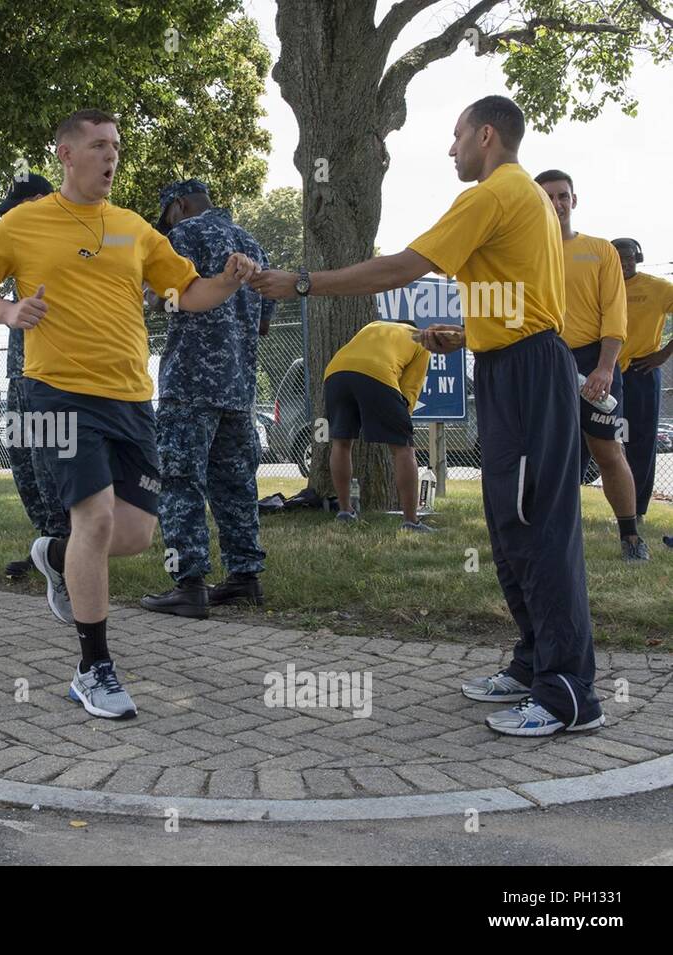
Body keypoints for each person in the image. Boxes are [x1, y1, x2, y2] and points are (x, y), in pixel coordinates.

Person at [252, 95, 604, 738]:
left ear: (487, 136)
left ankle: (569, 694)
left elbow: (404, 268)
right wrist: (467, 336)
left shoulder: (495, 193)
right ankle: (533, 664)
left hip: (528, 373)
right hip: (507, 366)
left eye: (457, 135)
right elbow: (524, 302)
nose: (450, 149)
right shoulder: (518, 201)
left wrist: (303, 282)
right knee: (510, 523)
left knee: (538, 525)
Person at [0, 109, 258, 719]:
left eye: (115, 145)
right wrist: (10, 313)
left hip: (129, 398)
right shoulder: (25, 223)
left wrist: (226, 281)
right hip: (59, 392)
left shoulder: (133, 230)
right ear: (65, 154)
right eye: (97, 146)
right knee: (93, 517)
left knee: (134, 535)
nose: (110, 156)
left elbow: (186, 293)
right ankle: (94, 669)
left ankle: (55, 552)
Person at [140, 179, 272, 619]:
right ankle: (244, 576)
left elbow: (163, 298)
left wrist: (156, 302)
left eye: (167, 216)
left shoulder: (182, 237)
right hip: (239, 384)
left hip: (191, 380)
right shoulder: (253, 245)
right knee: (236, 481)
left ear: (178, 206)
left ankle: (189, 583)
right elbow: (265, 323)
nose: (166, 224)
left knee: (179, 479)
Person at [534, 170, 646, 560]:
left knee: (607, 450)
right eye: (547, 197)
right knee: (549, 452)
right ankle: (553, 539)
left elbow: (615, 316)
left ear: (574, 201)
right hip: (547, 361)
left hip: (593, 360)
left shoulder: (600, 250)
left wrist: (604, 368)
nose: (556, 203)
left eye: (563, 196)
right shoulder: (526, 253)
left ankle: (631, 537)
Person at [0, 173, 72, 578]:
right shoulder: (20, 246)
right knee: (25, 466)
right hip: (19, 376)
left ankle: (67, 552)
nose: (8, 219)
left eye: (15, 209)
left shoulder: (67, 240)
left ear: (39, 199)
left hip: (51, 378)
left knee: (51, 464)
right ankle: (47, 547)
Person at [319, 319, 434, 530]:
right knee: (403, 449)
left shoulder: (373, 325)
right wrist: (399, 422)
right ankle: (411, 521)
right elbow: (409, 391)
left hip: (335, 372)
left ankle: (345, 512)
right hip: (377, 371)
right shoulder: (421, 340)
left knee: (341, 442)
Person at [612, 237, 673, 524]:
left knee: (641, 442)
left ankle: (637, 511)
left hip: (641, 372)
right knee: (604, 441)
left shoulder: (658, 288)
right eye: (618, 258)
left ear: (639, 258)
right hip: (605, 371)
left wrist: (663, 354)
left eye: (629, 258)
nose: (624, 263)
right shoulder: (603, 285)